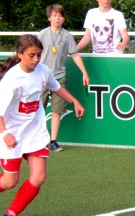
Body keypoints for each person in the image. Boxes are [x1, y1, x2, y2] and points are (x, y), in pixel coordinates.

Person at [0, 34, 86, 216]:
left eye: (39, 55)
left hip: (35, 133)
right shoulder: (11, 80)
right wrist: (6, 134)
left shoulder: (43, 71)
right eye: (31, 56)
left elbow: (56, 88)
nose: (36, 60)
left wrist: (75, 102)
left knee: (39, 176)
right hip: (11, 135)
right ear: (20, 54)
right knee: (9, 181)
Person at [38, 4, 91, 152]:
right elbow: (33, 53)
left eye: (60, 16)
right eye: (54, 16)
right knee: (38, 110)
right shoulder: (42, 34)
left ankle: (53, 141)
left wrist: (84, 72)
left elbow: (74, 54)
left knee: (57, 110)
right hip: (42, 77)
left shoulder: (67, 36)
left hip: (59, 78)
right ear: (49, 17)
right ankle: (37, 140)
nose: (58, 19)